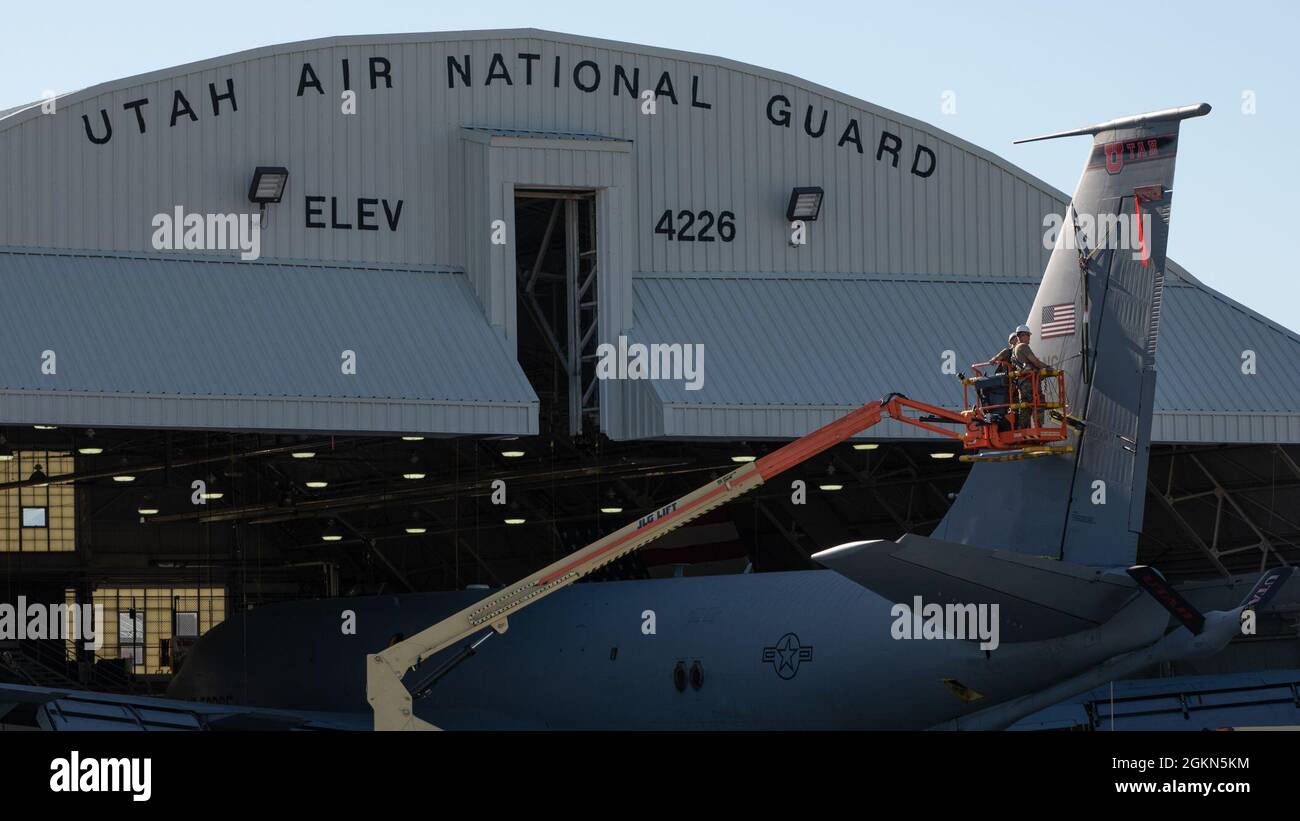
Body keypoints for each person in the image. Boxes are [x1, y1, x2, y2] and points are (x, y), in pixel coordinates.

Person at [1011, 324, 1049, 428]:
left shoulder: (1014, 349)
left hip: (1022, 383)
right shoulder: (1023, 347)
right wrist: (1048, 368)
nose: (1029, 338)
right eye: (1028, 335)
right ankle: (1039, 427)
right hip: (1030, 382)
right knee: (1039, 402)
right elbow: (1035, 362)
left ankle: (1023, 429)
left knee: (1025, 407)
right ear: (1023, 335)